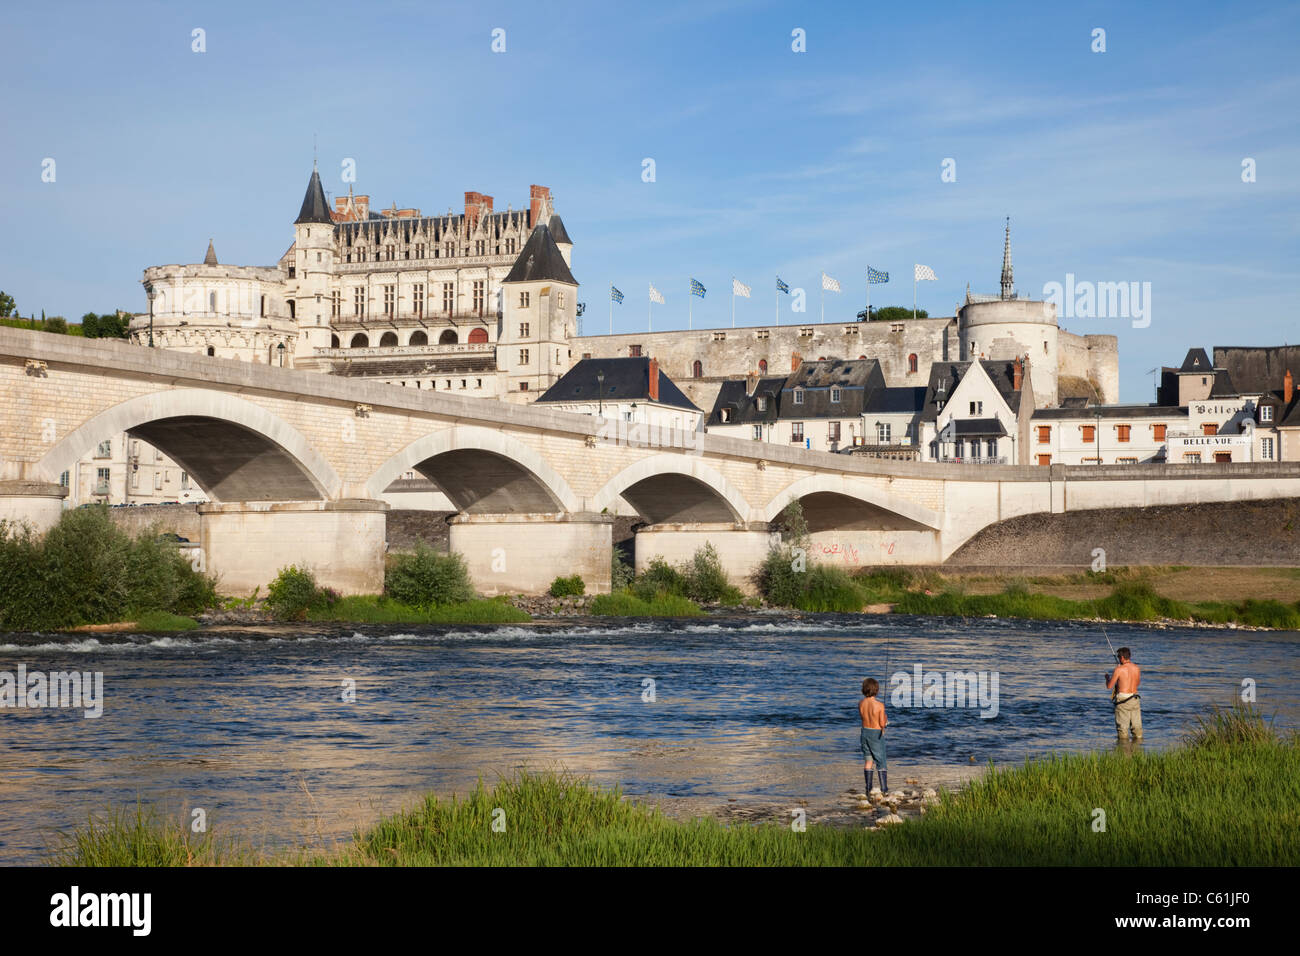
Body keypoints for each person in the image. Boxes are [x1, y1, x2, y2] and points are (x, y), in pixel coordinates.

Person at [859, 677, 888, 795]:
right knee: (881, 761)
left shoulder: (860, 703)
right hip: (876, 734)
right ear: (876, 690)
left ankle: (868, 788)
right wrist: (885, 719)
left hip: (864, 732)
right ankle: (884, 789)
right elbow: (882, 723)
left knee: (868, 760)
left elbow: (863, 717)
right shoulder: (880, 705)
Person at [1106, 646, 1142, 741]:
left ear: (1122, 657)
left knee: (1122, 729)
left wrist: (1107, 678)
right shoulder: (1136, 668)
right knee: (1137, 727)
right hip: (1135, 699)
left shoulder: (1119, 669)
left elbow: (1109, 686)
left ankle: (1123, 750)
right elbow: (1137, 683)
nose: (1118, 658)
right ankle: (1138, 749)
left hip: (1123, 701)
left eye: (1118, 657)